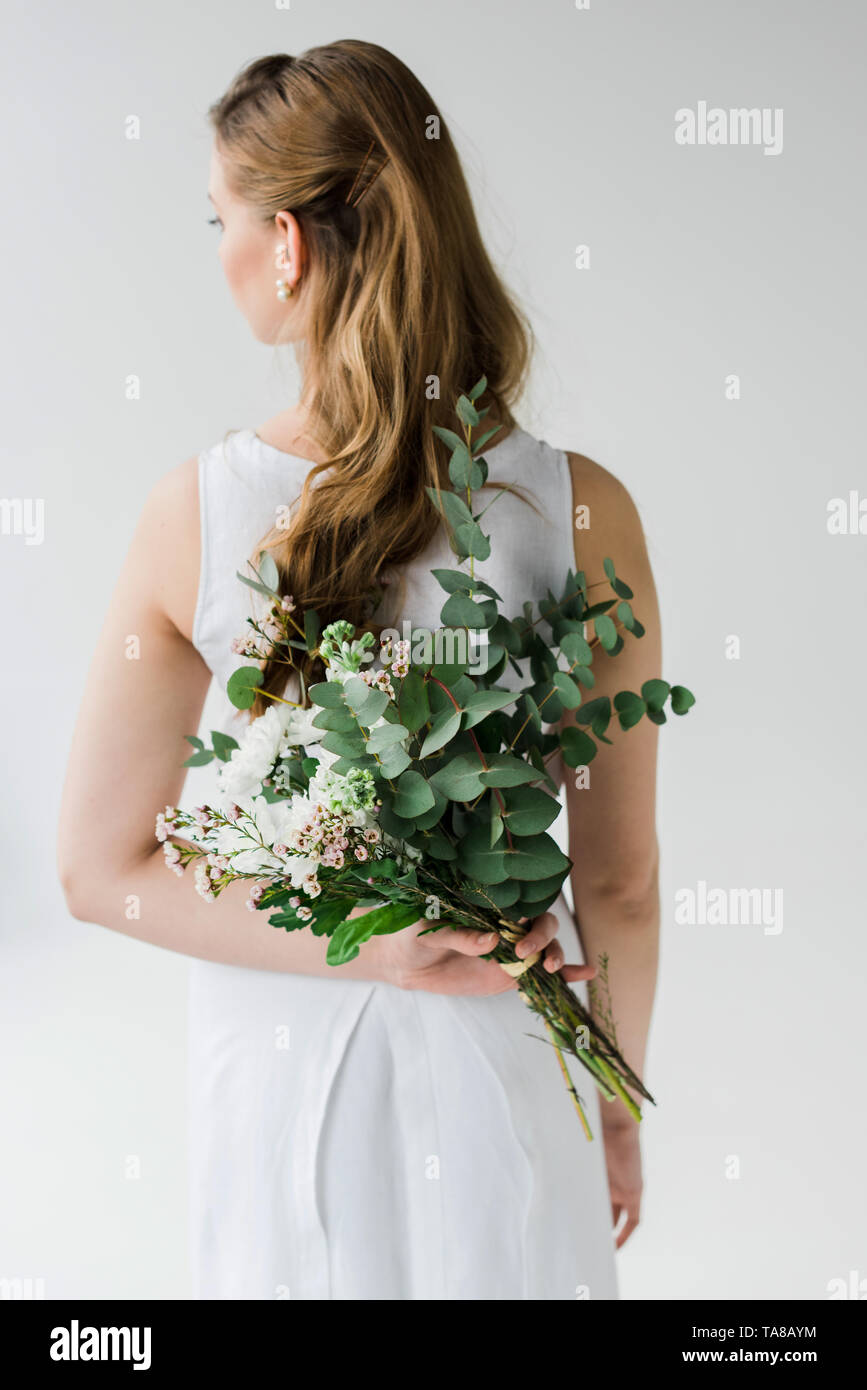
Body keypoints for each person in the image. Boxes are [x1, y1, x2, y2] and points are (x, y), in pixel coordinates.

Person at [58, 41, 661, 1300]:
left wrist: (366, 949)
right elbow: (622, 878)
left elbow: (98, 869)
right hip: (508, 1065)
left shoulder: (199, 512)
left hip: (281, 1089)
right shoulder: (580, 507)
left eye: (217, 220)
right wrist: (615, 1105)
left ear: (286, 244)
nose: (216, 252)